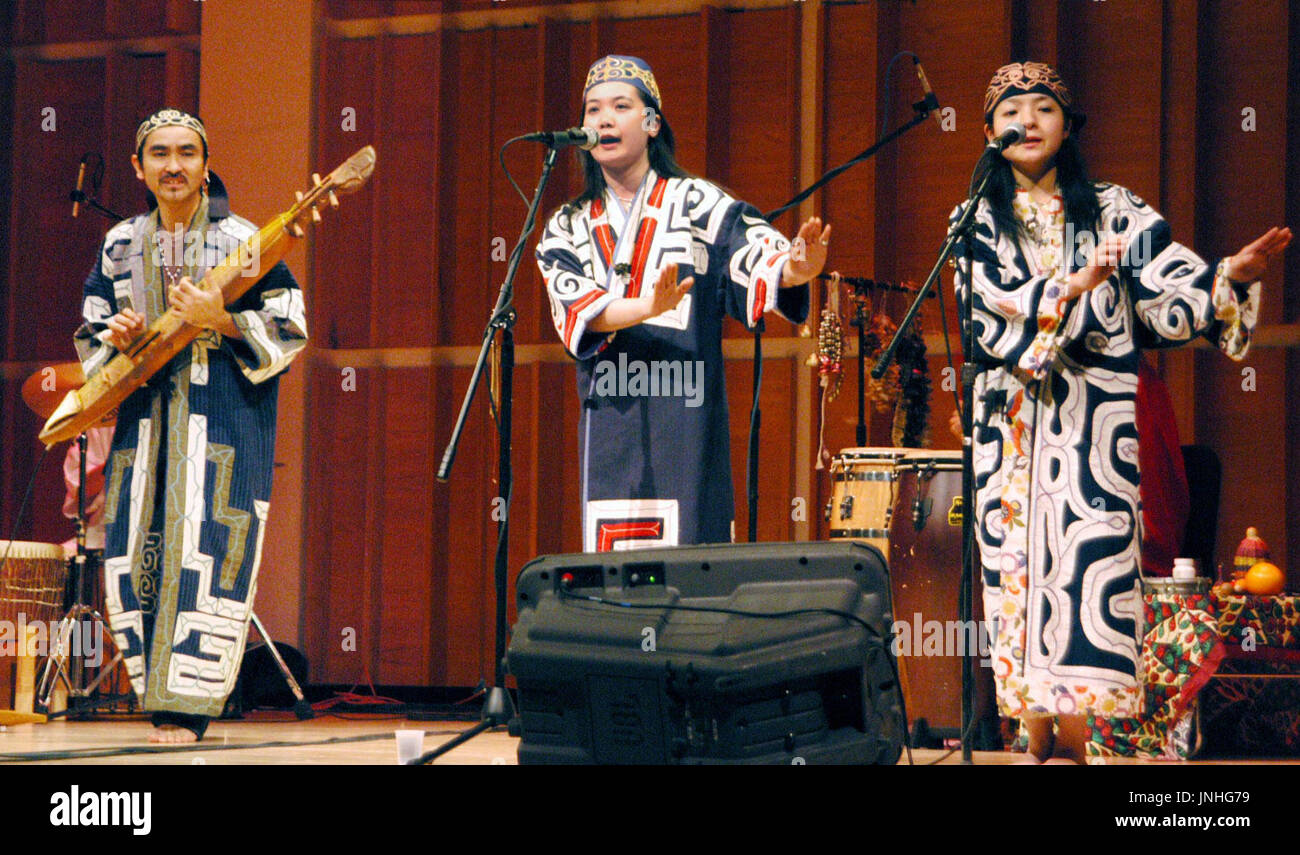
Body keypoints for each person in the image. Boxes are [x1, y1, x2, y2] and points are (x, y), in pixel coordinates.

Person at [952, 62, 1290, 762]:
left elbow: (1169, 286)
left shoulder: (1113, 209)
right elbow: (989, 308)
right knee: (1016, 575)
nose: (1030, 120)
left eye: (1044, 107)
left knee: (1089, 576)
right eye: (1013, 111)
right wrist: (1072, 284)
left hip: (1094, 426)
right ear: (988, 132)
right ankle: (1031, 727)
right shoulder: (975, 218)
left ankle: (1078, 736)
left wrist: (1228, 278)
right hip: (1011, 424)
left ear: (1067, 126)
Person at [73, 108, 308, 742]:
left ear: (206, 163)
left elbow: (290, 326)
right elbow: (91, 326)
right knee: (135, 549)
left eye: (186, 153)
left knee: (208, 547)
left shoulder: (244, 240)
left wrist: (221, 319)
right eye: (159, 154)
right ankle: (157, 698)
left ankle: (192, 707)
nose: (173, 165)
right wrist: (115, 338)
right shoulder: (120, 244)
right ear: (138, 167)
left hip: (224, 422)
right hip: (143, 429)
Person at [536, 55, 830, 551]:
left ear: (652, 123)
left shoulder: (699, 204)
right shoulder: (567, 226)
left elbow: (756, 253)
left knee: (694, 591)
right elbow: (579, 311)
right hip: (613, 432)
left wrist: (797, 268)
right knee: (616, 596)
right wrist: (647, 307)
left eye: (620, 106)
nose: (603, 119)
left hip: (688, 428)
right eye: (592, 110)